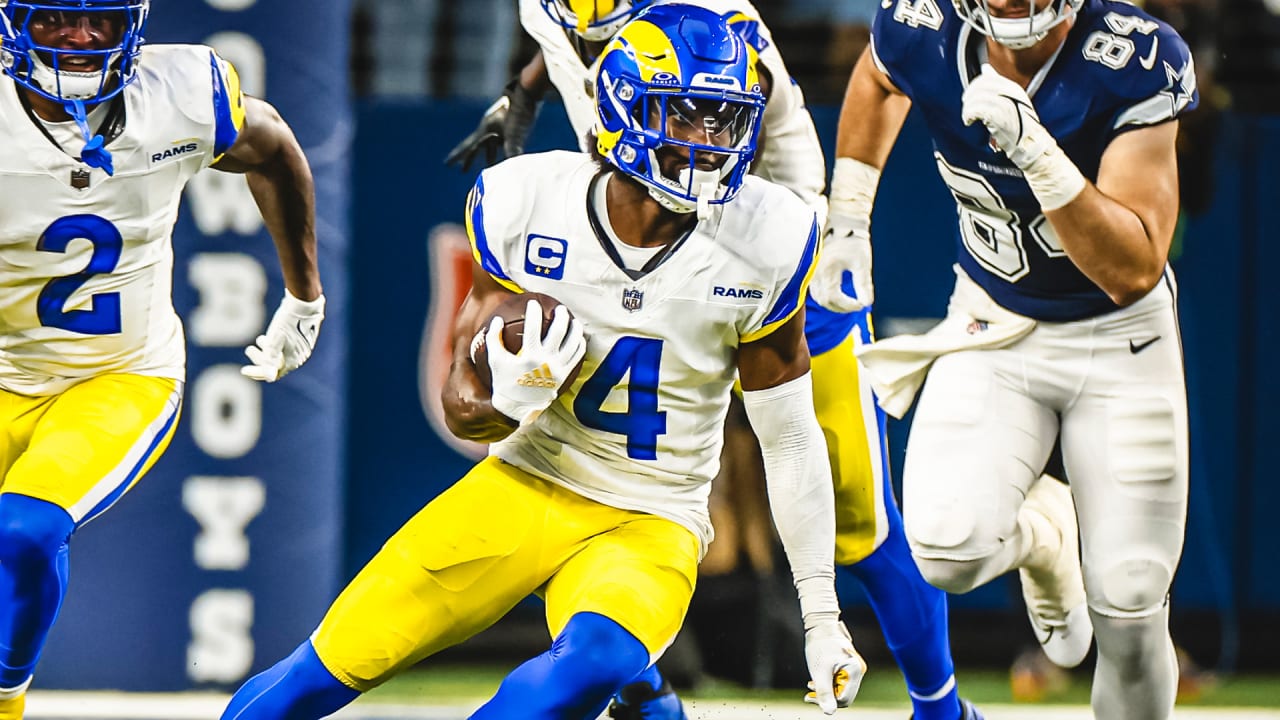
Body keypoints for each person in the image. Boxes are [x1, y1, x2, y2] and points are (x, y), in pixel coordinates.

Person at [220, 6, 862, 719]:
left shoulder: (769, 235)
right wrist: (514, 398)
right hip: (527, 482)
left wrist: (821, 615)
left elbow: (792, 439)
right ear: (623, 107)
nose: (708, 144)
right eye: (686, 116)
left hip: (652, 517)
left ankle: (637, 685)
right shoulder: (528, 201)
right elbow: (462, 402)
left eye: (725, 120)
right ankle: (649, 699)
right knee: (323, 670)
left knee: (588, 669)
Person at [449, 2, 982, 720]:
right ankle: (642, 690)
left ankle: (941, 706)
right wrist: (527, 86)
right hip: (635, 253)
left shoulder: (709, 21)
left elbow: (711, 142)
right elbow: (574, 41)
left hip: (768, 258)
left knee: (857, 519)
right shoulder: (554, 11)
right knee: (556, 473)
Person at [823, 0, 1196, 715]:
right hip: (994, 320)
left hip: (1119, 340)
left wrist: (1038, 152)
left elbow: (1133, 268)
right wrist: (848, 216)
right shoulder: (924, 23)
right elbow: (877, 75)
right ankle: (1047, 538)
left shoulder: (1134, 58)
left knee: (1131, 592)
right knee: (944, 546)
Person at [0, 1, 325, 717]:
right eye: (54, 20)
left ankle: (5, 699)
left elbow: (272, 148)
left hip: (118, 376)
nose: (80, 39)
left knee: (25, 532)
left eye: (101, 21)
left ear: (134, 26)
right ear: (14, 23)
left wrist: (304, 296)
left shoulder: (182, 93)